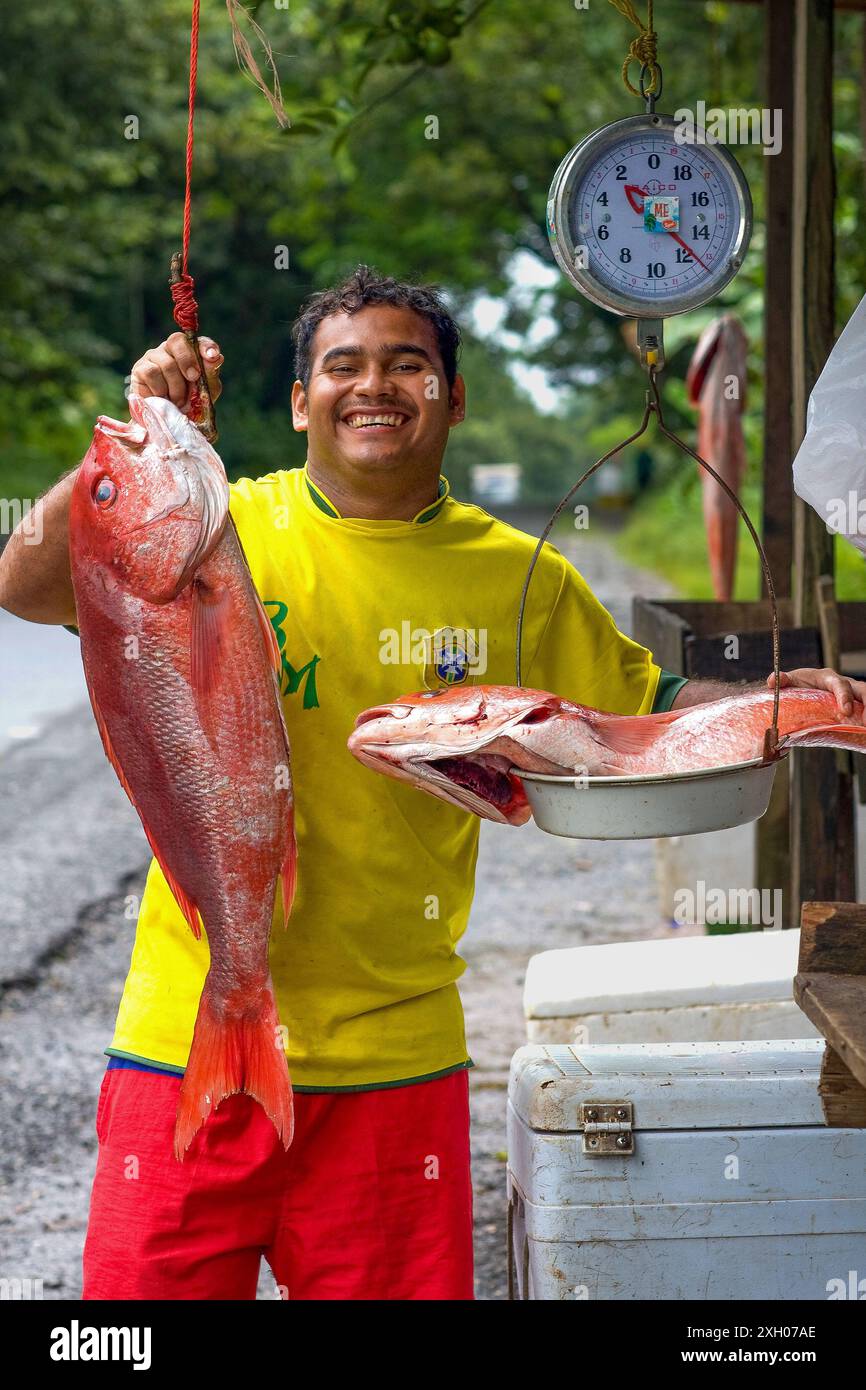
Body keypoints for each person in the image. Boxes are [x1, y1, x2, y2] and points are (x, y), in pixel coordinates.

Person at [1, 264, 864, 1301]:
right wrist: (131, 432)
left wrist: (777, 700)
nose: (373, 386)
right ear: (296, 401)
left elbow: (640, 708)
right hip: (184, 1036)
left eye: (407, 364)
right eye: (342, 366)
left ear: (452, 398)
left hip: (392, 1057)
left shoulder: (520, 575)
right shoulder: (217, 530)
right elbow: (28, 580)